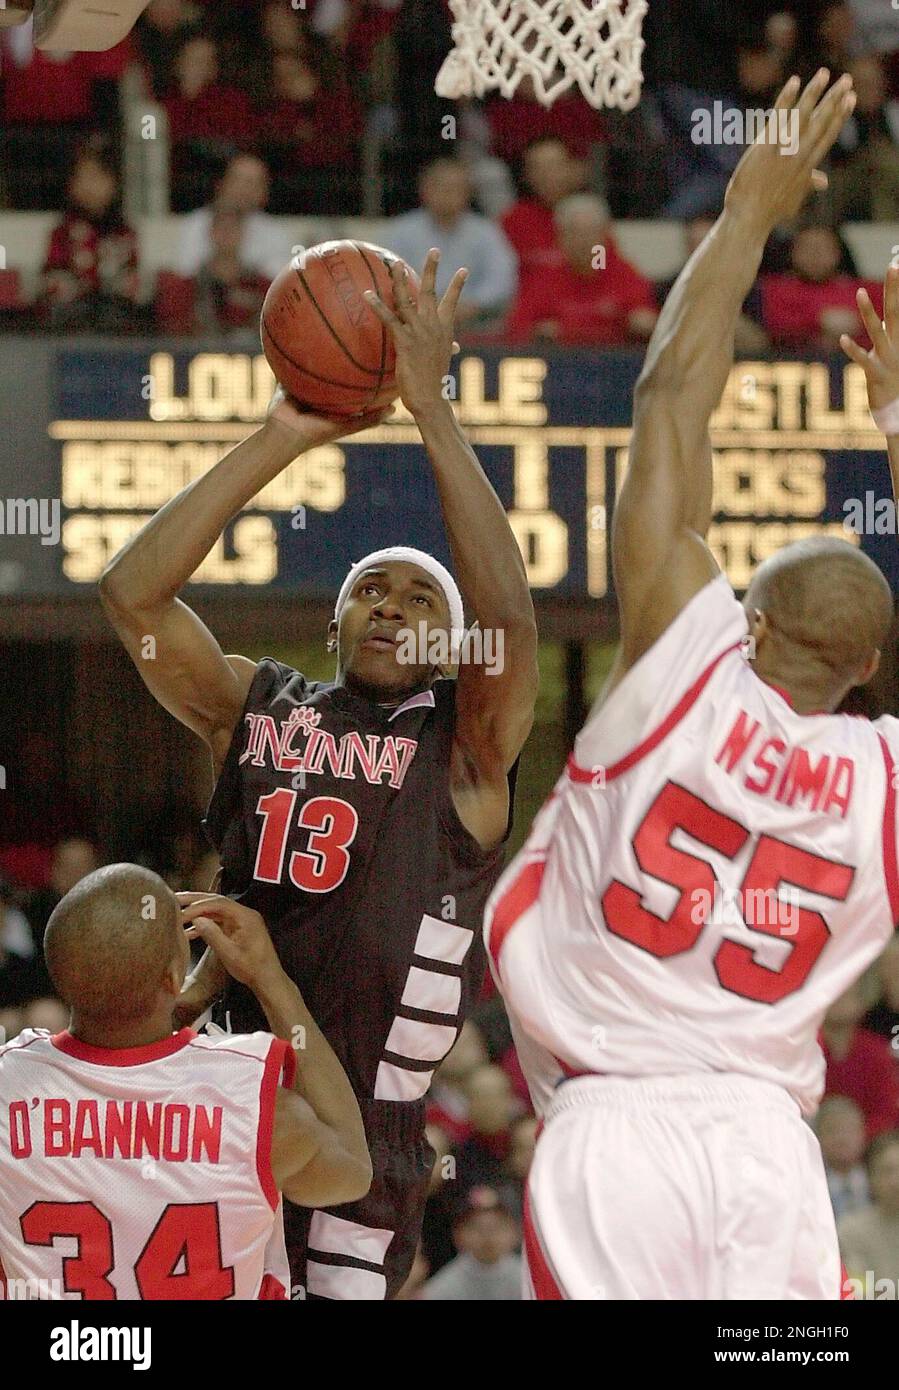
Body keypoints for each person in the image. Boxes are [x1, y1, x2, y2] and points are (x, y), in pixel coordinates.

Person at [485, 69, 899, 1301]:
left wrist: (746, 216)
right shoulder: (881, 780)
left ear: (748, 613)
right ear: (867, 671)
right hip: (771, 1150)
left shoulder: (680, 655)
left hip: (616, 1128)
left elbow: (670, 393)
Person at [98, 248, 538, 1300]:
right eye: (370, 590)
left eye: (420, 599)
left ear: (451, 642)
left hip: (365, 1135)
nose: (391, 605)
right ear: (333, 619)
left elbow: (511, 624)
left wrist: (432, 411)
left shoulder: (464, 744)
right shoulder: (258, 703)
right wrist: (282, 435)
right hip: (225, 1085)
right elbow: (134, 599)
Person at [0, 868, 371, 1299]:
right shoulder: (253, 1104)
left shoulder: (9, 1085)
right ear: (176, 976)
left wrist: (178, 998)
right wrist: (271, 980)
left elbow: (118, 1044)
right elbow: (354, 1170)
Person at [506, 194, 658, 347]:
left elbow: (646, 320)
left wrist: (566, 329)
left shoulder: (622, 273)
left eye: (590, 233)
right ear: (560, 237)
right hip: (562, 363)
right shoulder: (545, 277)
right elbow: (518, 328)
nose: (583, 242)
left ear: (605, 236)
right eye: (574, 233)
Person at [387, 160, 517, 325]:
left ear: (468, 193)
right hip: (415, 319)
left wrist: (473, 305)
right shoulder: (401, 231)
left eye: (456, 188)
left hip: (475, 322)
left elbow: (502, 278)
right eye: (442, 187)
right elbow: (387, 277)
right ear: (425, 190)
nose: (448, 194)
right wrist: (423, 306)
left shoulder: (486, 231)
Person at [38, 147, 141, 334]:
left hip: (115, 318)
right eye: (82, 178)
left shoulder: (124, 233)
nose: (89, 186)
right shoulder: (62, 232)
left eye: (96, 178)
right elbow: (53, 279)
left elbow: (131, 282)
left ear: (113, 183)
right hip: (70, 320)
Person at [761, 222, 883, 350]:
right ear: (792, 252)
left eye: (823, 248)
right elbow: (776, 326)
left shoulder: (868, 290)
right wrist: (818, 320)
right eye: (807, 248)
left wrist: (860, 323)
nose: (815, 255)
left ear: (838, 253)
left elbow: (888, 324)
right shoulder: (775, 288)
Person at [174, 153, 290, 284]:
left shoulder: (276, 234)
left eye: (252, 183)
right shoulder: (194, 225)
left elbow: (276, 284)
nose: (244, 189)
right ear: (222, 183)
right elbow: (186, 274)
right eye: (238, 180)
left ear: (264, 192)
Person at [822, 982, 899, 1137]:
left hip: (869, 1146)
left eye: (846, 994)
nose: (839, 1000)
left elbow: (887, 1110)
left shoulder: (875, 1051)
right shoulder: (804, 1050)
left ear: (860, 1002)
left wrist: (857, 1136)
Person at [419, 1187, 522, 1300]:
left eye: (497, 1227)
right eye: (477, 1227)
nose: (487, 1236)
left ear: (515, 1231)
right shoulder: (444, 1285)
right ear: (458, 1234)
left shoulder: (526, 1276)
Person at [837, 1131, 899, 1297]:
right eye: (887, 1171)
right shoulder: (851, 1229)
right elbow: (859, 1290)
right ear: (871, 1178)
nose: (895, 1181)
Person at [816, 1095, 870, 1220]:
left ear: (862, 1134)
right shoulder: (809, 1185)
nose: (842, 1139)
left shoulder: (878, 1180)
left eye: (849, 1130)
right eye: (832, 1131)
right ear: (818, 1137)